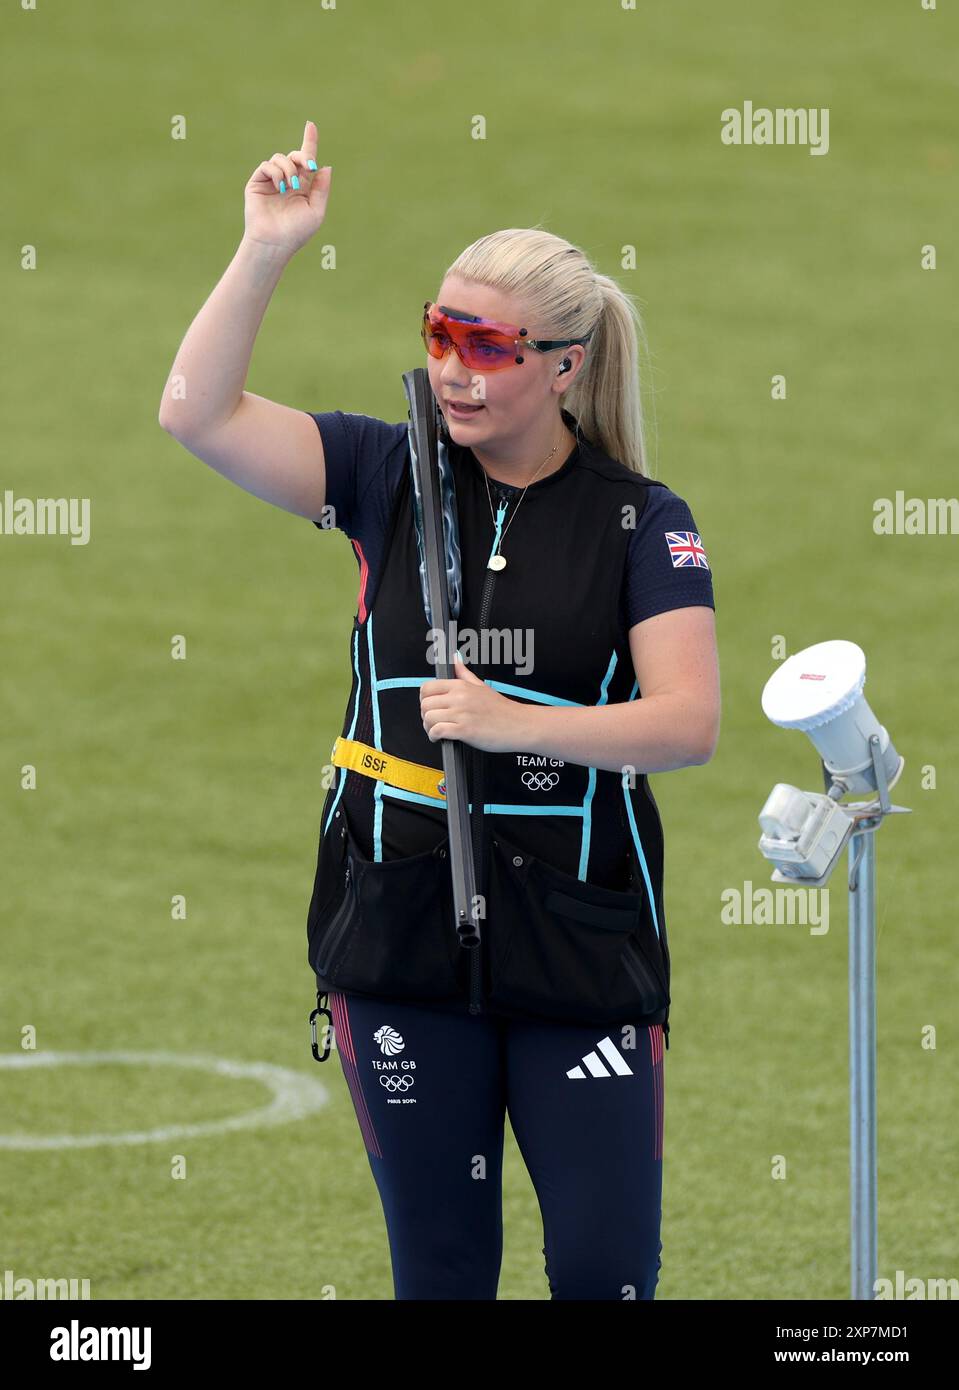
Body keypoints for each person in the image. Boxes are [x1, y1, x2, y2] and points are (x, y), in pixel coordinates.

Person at [158, 120, 721, 1301]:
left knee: (605, 1274)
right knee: (443, 1274)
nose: (455, 367)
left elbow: (685, 721)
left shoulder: (640, 520)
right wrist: (266, 249)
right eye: (438, 333)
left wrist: (515, 721)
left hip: (579, 946)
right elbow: (196, 415)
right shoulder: (382, 473)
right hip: (401, 936)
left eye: (487, 345)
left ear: (563, 364)